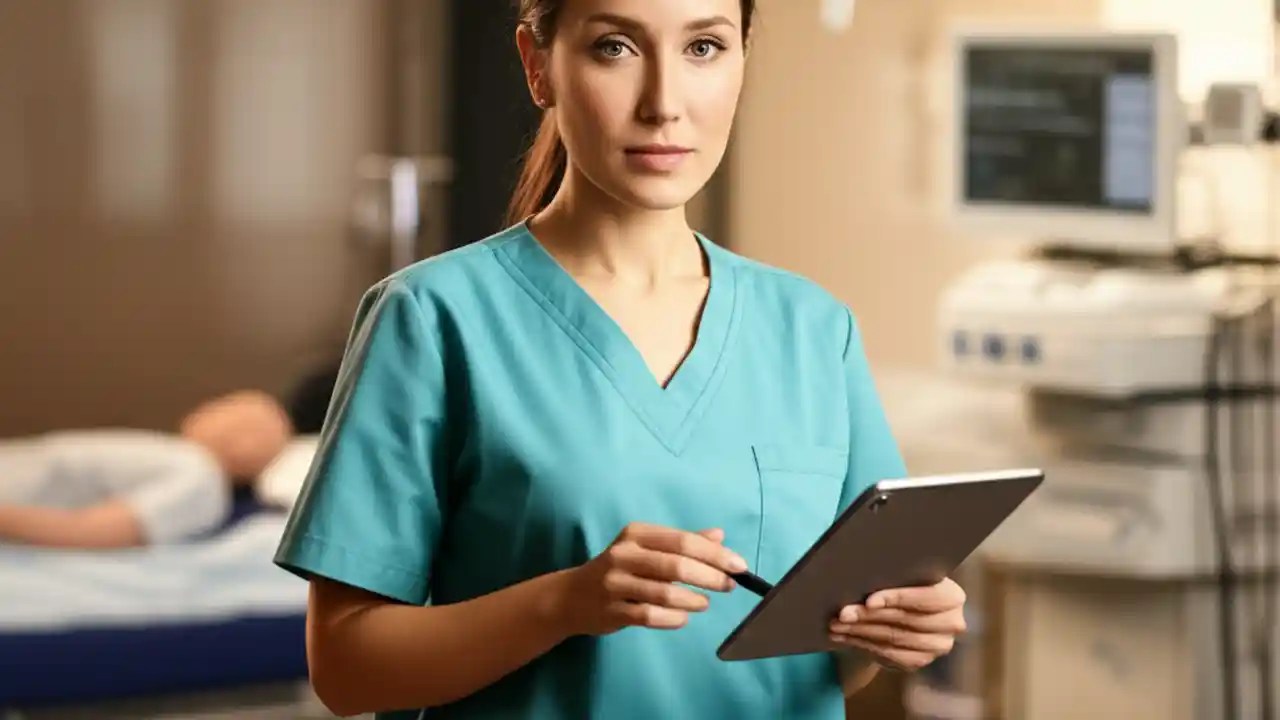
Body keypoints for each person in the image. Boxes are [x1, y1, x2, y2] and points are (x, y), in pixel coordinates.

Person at [272, 0, 968, 717]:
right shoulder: (432, 318)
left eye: (703, 48)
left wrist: (889, 632)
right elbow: (346, 670)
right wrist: (565, 602)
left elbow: (826, 670)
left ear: (741, 61)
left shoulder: (816, 330)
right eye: (615, 47)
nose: (664, 104)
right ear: (538, 67)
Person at [0, 390, 293, 549]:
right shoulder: (183, 461)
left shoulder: (199, 477)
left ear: (243, 445)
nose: (210, 408)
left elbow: (95, 531)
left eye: (226, 407)